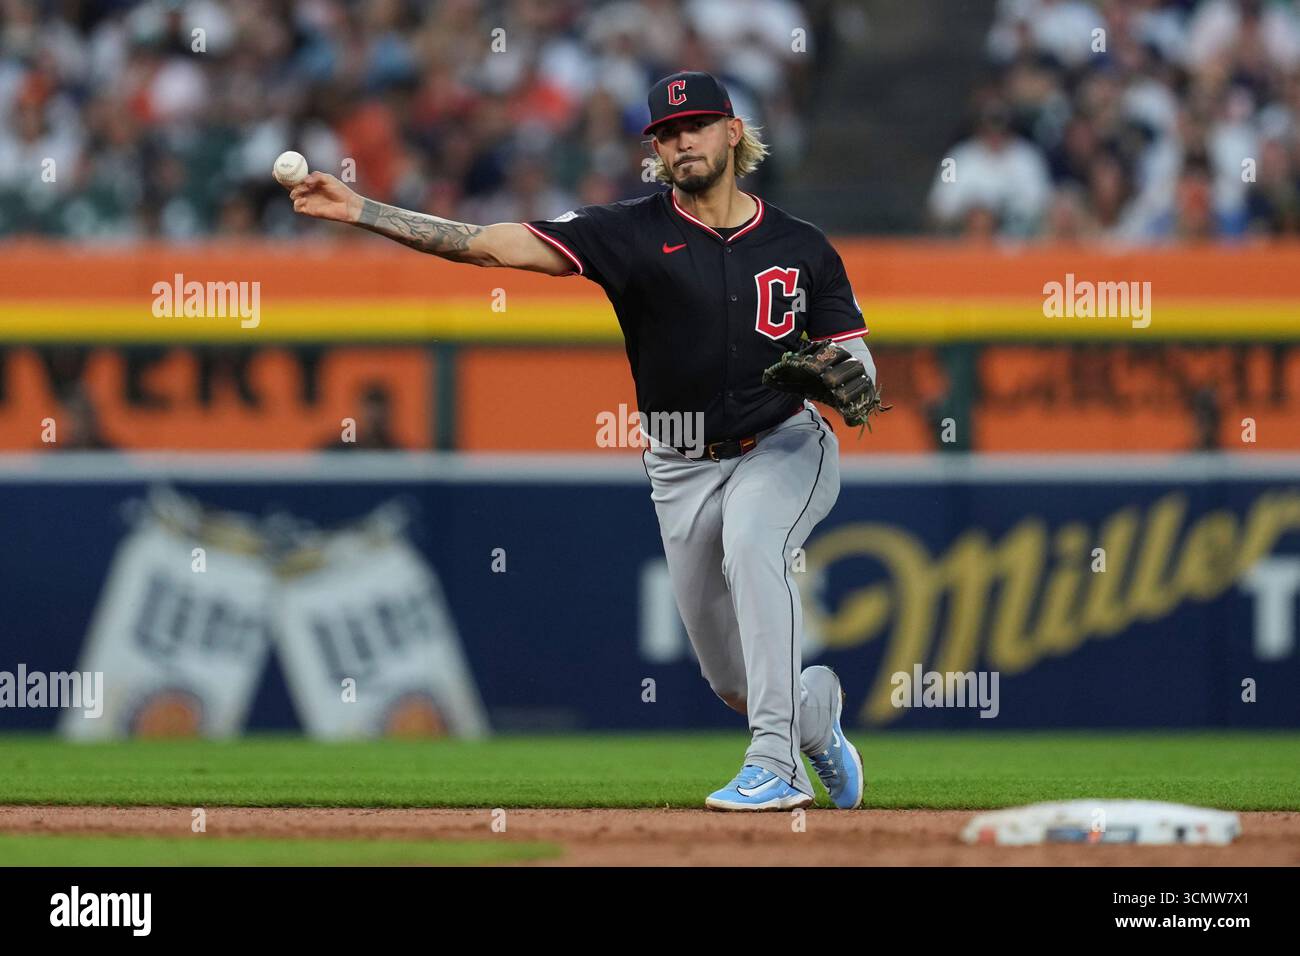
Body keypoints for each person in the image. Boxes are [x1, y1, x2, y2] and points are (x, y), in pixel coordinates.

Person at [285, 71, 872, 812]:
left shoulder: (802, 245)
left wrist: (847, 374)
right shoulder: (630, 232)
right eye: (664, 132)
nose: (679, 140)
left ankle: (776, 764)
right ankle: (814, 720)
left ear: (732, 131)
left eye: (694, 125)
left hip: (787, 443)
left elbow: (859, 356)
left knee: (756, 541)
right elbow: (490, 245)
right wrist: (363, 209)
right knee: (732, 681)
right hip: (681, 464)